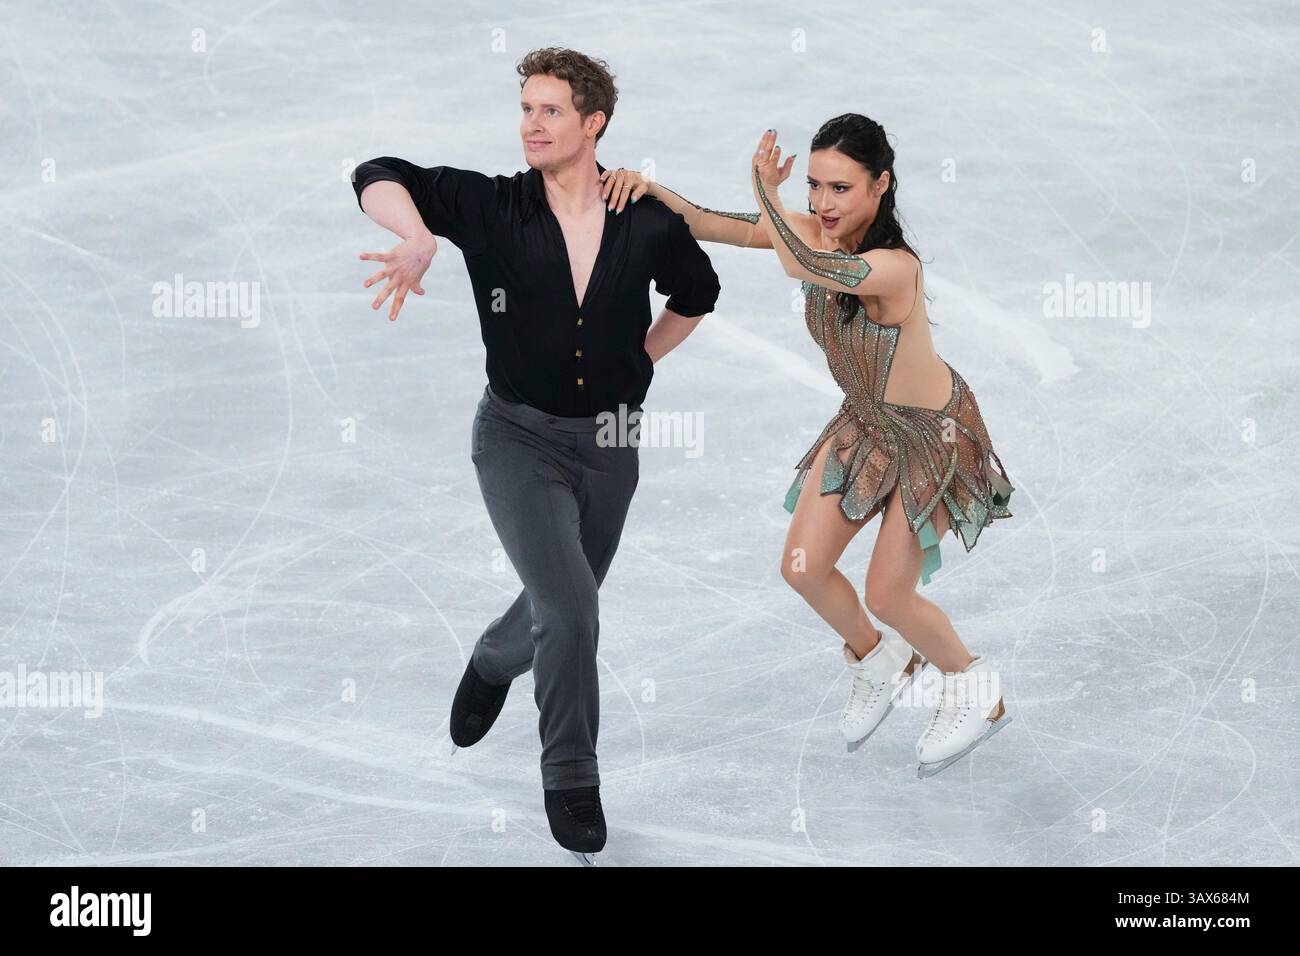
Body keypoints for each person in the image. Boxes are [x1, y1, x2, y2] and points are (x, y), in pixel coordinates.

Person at [349, 48, 720, 858]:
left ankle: (492, 658)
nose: (531, 124)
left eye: (551, 110)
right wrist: (417, 236)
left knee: (563, 602)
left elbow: (700, 292)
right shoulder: (492, 208)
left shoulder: (644, 221)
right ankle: (571, 775)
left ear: (594, 124)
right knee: (574, 609)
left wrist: (641, 361)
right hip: (515, 437)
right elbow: (375, 172)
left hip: (613, 442)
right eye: (526, 108)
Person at [600, 115, 1014, 777]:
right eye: (816, 185)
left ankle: (974, 686)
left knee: (889, 594)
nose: (823, 203)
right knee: (802, 566)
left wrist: (766, 190)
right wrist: (645, 188)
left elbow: (812, 263)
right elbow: (715, 225)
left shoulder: (893, 267)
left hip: (931, 440)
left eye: (841, 188)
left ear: (881, 186)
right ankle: (879, 659)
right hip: (867, 425)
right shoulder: (821, 233)